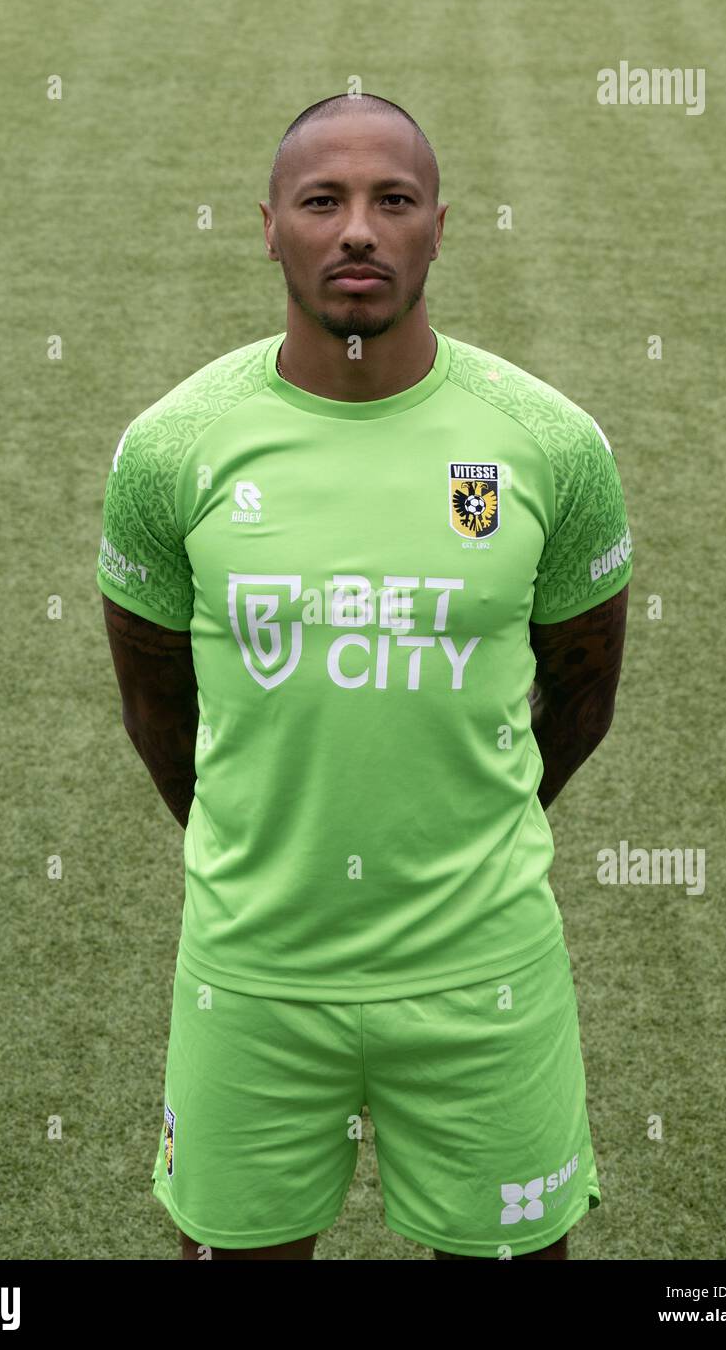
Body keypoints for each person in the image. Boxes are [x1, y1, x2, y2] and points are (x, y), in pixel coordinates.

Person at [96, 92, 633, 1261]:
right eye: (322, 200)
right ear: (268, 225)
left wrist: (463, 840)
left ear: (438, 226)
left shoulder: (548, 444)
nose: (356, 230)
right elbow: (156, 714)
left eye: (391, 201)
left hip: (482, 972)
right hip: (253, 974)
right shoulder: (173, 447)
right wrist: (265, 853)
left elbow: (580, 699)